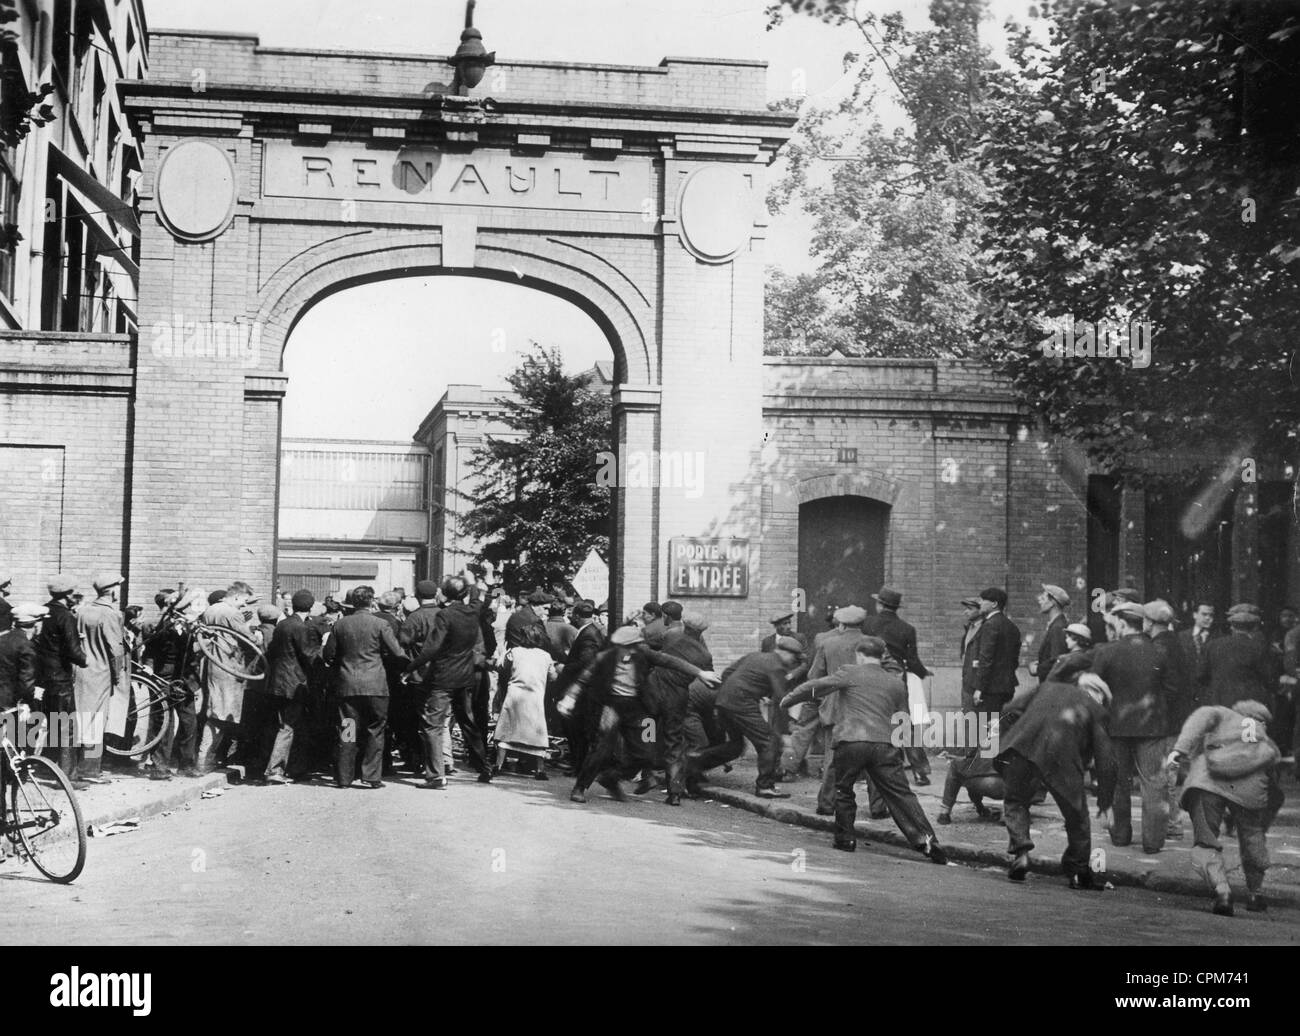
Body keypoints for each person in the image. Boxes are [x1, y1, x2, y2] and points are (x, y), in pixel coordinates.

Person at [780, 636, 948, 863]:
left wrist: (788, 701)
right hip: (883, 745)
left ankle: (846, 839)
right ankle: (927, 842)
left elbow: (816, 687)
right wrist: (912, 759)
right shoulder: (896, 683)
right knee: (901, 794)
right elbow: (904, 721)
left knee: (844, 790)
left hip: (851, 742)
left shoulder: (850, 673)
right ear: (881, 657)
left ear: (860, 655)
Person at [562, 624, 719, 803]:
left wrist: (700, 673)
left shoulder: (643, 653)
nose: (631, 650)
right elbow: (583, 678)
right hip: (610, 706)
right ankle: (580, 788)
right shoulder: (603, 658)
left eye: (634, 645)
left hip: (639, 708)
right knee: (601, 749)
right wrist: (570, 698)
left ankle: (612, 777)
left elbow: (670, 661)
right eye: (627, 646)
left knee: (647, 750)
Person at [996, 670, 1117, 887]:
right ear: (1099, 694)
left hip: (1020, 749)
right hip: (1060, 760)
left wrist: (1009, 739)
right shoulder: (1097, 710)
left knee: (1015, 801)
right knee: (1077, 815)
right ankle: (1078, 870)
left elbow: (1008, 709)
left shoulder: (1047, 686)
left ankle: (1021, 853)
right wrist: (1106, 802)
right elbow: (1106, 760)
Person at [1167, 699, 1283, 915]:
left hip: (1207, 782)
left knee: (1205, 840)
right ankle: (1256, 894)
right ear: (1263, 722)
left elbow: (1201, 716)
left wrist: (1179, 750)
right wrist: (1261, 825)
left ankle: (1223, 891)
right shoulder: (1268, 743)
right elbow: (1275, 794)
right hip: (1250, 793)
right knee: (1252, 837)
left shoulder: (1222, 714)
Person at [1088, 600, 1176, 854]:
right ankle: (1153, 842)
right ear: (1143, 623)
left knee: (1118, 782)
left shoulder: (1106, 651)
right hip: (1152, 727)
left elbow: (1094, 692)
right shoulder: (1159, 652)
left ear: (1122, 622)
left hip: (1115, 727)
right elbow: (1172, 690)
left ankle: (1120, 835)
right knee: (1154, 784)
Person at [684, 638, 802, 799]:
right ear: (784, 652)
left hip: (723, 701)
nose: (792, 663)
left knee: (735, 746)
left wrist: (735, 691)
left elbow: (727, 673)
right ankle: (765, 786)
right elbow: (781, 701)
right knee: (769, 741)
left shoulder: (755, 656)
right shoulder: (777, 667)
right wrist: (785, 733)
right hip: (742, 703)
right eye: (793, 659)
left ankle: (693, 761)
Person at [406, 577, 491, 788]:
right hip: (465, 676)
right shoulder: (472, 611)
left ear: (442, 593)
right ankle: (484, 767)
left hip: (443, 677)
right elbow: (476, 596)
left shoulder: (445, 615)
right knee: (468, 723)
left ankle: (436, 775)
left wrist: (411, 667)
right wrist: (472, 582)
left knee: (432, 725)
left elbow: (433, 647)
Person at [324, 586, 404, 789]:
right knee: (375, 729)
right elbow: (397, 653)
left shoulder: (340, 624)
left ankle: (344, 777)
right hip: (376, 685)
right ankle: (372, 776)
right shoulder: (381, 624)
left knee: (348, 729)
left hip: (348, 685)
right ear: (371, 602)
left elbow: (328, 655)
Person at [640, 610, 713, 805]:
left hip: (653, 689)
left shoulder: (669, 637)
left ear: (686, 627)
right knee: (674, 742)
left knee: (647, 731)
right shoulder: (704, 655)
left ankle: (647, 774)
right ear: (701, 632)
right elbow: (709, 680)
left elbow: (648, 650)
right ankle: (674, 793)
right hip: (677, 697)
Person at [864, 587, 931, 784]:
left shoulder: (868, 624)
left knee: (872, 721)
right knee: (904, 724)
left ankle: (871, 770)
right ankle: (920, 771)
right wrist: (923, 672)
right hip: (897, 681)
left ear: (880, 605)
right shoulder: (908, 629)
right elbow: (912, 660)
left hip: (873, 678)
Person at [258, 590, 321, 784]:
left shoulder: (283, 624)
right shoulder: (300, 627)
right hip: (293, 683)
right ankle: (274, 770)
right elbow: (309, 654)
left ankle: (295, 768)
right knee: (288, 726)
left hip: (277, 681)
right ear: (310, 607)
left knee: (288, 725)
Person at [141, 589, 203, 779]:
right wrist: (149, 667)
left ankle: (186, 764)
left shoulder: (189, 623)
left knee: (189, 721)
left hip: (185, 677)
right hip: (163, 675)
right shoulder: (154, 623)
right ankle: (159, 767)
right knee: (162, 723)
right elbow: (149, 649)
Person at [196, 582, 258, 773]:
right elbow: (249, 639)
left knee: (215, 711)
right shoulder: (233, 613)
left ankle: (205, 758)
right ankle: (205, 759)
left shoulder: (212, 609)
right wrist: (257, 636)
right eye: (244, 601)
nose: (244, 606)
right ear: (237, 597)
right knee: (220, 716)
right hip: (228, 666)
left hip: (213, 664)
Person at [72, 572, 128, 785]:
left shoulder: (82, 610)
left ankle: (74, 767)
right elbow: (116, 649)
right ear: (112, 590)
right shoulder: (110, 614)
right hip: (101, 672)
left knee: (81, 717)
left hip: (80, 671)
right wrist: (118, 675)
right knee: (96, 719)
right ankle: (90, 770)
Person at [33, 575, 88, 789]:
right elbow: (73, 651)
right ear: (68, 595)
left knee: (53, 723)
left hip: (44, 677)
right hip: (61, 678)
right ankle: (66, 777)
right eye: (74, 593)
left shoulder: (44, 611)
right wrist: (85, 660)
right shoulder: (66, 616)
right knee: (66, 726)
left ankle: (47, 768)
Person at [493, 623, 556, 779]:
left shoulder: (514, 652)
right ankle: (540, 769)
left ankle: (498, 764)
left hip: (514, 695)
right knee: (537, 731)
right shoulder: (545, 656)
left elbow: (501, 667)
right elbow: (553, 676)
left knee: (506, 731)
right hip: (535, 697)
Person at [552, 599, 606, 774]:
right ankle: (579, 763)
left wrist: (564, 668)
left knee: (576, 728)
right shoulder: (592, 630)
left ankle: (579, 765)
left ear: (576, 616)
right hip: (587, 687)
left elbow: (585, 661)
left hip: (580, 688)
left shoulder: (588, 634)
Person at [1201, 603, 1280, 711]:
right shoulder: (1260, 648)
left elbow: (1201, 676)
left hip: (1219, 705)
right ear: (1255, 626)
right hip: (1249, 708)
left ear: (1231, 625)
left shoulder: (1212, 645)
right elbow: (1270, 680)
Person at [971, 587, 1021, 714]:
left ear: (994, 604)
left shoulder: (990, 625)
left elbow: (986, 658)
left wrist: (979, 688)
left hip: (990, 689)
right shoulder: (1012, 627)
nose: (980, 603)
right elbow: (1014, 660)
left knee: (988, 727)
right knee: (999, 726)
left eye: (983, 600)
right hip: (1007, 687)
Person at [937, 747, 1004, 825]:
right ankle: (989, 809)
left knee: (957, 767)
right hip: (1011, 787)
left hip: (990, 784)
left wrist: (953, 756)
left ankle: (944, 812)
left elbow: (969, 755)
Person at [1177, 601, 1218, 709]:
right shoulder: (1181, 637)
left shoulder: (1219, 638)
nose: (1208, 618)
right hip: (1185, 696)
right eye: (1204, 614)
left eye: (1211, 615)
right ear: (1195, 615)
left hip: (1208, 696)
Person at [1030, 583, 1071, 687]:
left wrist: (1037, 669)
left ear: (1052, 602)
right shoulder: (1056, 624)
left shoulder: (1057, 627)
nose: (1039, 600)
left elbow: (1057, 660)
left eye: (1043, 598)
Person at [958, 596, 984, 713]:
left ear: (980, 610)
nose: (965, 612)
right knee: (969, 719)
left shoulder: (986, 628)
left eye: (970, 608)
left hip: (978, 682)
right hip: (967, 680)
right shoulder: (969, 627)